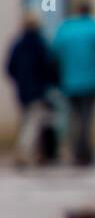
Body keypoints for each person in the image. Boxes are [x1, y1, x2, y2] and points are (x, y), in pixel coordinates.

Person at [52, 1, 95, 167]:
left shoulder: (65, 29)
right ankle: (84, 152)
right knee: (87, 118)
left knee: (74, 117)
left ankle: (76, 150)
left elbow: (55, 53)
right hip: (93, 81)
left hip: (69, 82)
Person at [5, 12, 58, 166]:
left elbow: (9, 67)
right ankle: (24, 151)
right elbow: (48, 67)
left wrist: (19, 81)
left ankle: (33, 152)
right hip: (37, 89)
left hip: (22, 90)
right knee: (33, 123)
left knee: (28, 120)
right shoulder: (40, 44)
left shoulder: (17, 44)